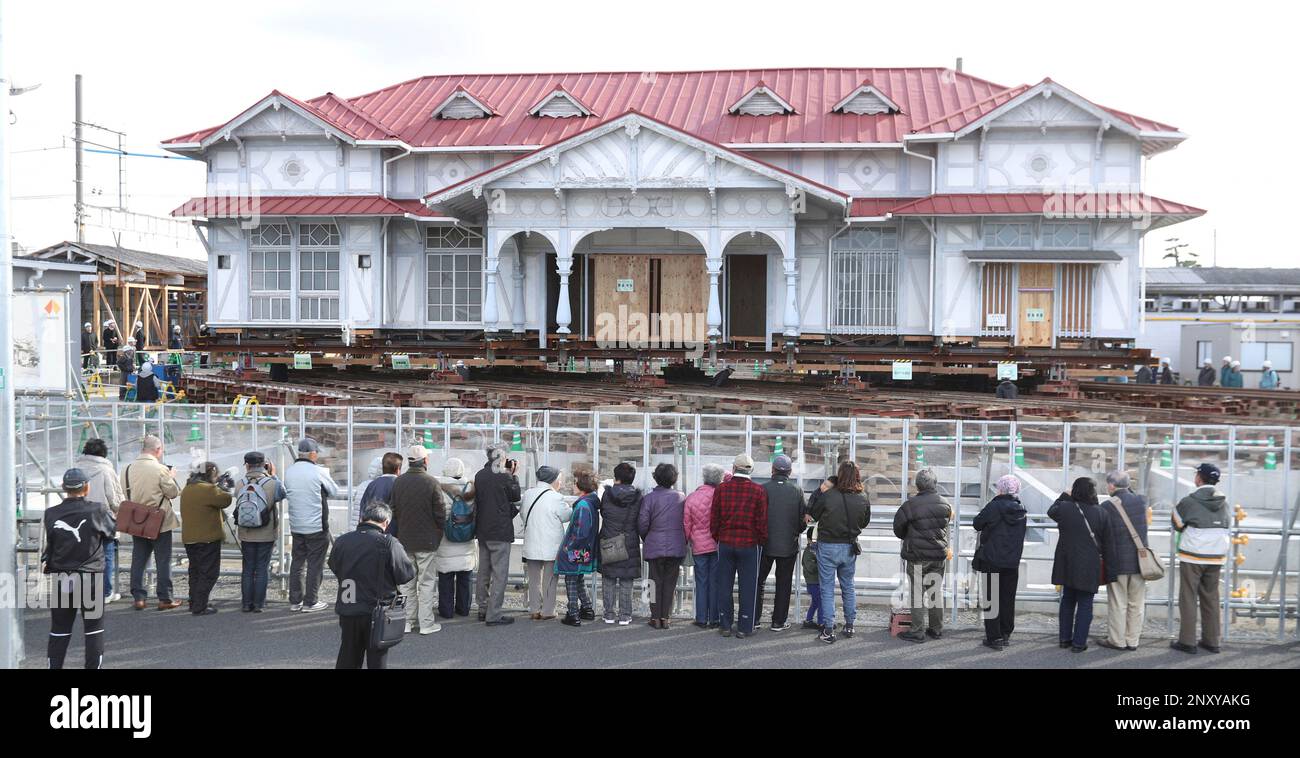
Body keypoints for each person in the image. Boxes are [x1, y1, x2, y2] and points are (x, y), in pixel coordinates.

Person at [43, 468, 116, 669]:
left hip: (62, 577)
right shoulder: (98, 510)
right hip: (91, 577)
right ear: (87, 487)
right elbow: (111, 532)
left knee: (59, 629)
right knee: (93, 630)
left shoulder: (51, 513)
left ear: (64, 488)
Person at [329, 502, 416, 669]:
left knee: (348, 656)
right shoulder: (388, 543)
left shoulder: (342, 541)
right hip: (377, 611)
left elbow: (334, 566)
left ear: (362, 518)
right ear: (386, 522)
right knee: (377, 659)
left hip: (348, 608)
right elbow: (406, 574)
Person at [1048, 477, 1115, 653]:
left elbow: (1051, 511)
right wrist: (1111, 571)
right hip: (1089, 566)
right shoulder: (1101, 513)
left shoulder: (1064, 508)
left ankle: (1064, 639)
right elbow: (1108, 545)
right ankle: (1079, 644)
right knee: (1085, 604)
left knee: (1067, 600)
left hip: (1067, 564)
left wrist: (1065, 495)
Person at [807, 460, 870, 644]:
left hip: (827, 546)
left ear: (839, 475)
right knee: (848, 586)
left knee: (827, 588)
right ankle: (849, 625)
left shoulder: (829, 495)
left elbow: (814, 516)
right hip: (849, 547)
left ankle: (828, 629)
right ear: (858, 477)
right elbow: (864, 523)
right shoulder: (863, 497)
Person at [1170, 463, 1230, 654]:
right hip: (1216, 556)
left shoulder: (1189, 501)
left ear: (1199, 478)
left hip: (1193, 555)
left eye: (1196, 474)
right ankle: (1212, 641)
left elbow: (1177, 523)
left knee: (1188, 597)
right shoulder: (1224, 502)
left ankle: (1187, 642)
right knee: (1211, 597)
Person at [120, 435, 182, 610]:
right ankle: (165, 598)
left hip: (136, 520)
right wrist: (171, 476)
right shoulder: (160, 469)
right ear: (158, 450)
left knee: (138, 559)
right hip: (159, 520)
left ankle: (139, 598)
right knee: (163, 560)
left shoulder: (127, 469)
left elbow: (125, 493)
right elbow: (172, 492)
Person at [710, 453, 768, 638]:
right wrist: (760, 540)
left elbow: (714, 519)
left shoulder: (721, 489)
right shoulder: (758, 491)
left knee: (724, 585)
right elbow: (762, 522)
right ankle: (744, 626)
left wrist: (718, 536)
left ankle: (725, 624)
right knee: (748, 586)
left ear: (734, 468)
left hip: (726, 542)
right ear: (751, 470)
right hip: (749, 545)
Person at [389, 446, 446, 634]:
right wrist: (437, 534)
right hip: (427, 541)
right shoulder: (431, 482)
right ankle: (426, 623)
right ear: (425, 461)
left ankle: (407, 621)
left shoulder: (399, 482)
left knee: (407, 584)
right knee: (427, 582)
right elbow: (440, 514)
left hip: (405, 539)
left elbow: (393, 511)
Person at [894, 468, 954, 643]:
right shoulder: (945, 504)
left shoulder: (910, 505)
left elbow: (898, 528)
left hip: (917, 556)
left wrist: (909, 535)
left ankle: (917, 631)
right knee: (935, 592)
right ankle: (936, 629)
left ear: (917, 485)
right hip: (938, 555)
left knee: (917, 593)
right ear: (935, 484)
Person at [283, 437, 341, 613]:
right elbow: (335, 491)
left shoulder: (290, 471)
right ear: (313, 454)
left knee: (297, 562)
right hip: (316, 525)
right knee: (315, 564)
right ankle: (311, 601)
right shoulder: (318, 471)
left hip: (296, 525)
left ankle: (295, 601)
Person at [972, 475, 1027, 650]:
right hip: (1012, 561)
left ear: (1001, 489)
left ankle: (994, 638)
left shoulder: (994, 506)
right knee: (1007, 598)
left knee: (991, 599)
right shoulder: (1021, 510)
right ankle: (1005, 633)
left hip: (992, 559)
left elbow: (977, 523)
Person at [1099, 470, 1151, 652]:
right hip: (1140, 561)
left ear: (1112, 486)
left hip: (1118, 561)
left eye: (1108, 484)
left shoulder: (1107, 506)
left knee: (1118, 602)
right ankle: (1132, 640)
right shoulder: (1141, 502)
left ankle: (1117, 640)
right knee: (1137, 603)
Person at [473, 444, 521, 625]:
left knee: (483, 572)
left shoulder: (479, 475)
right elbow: (515, 496)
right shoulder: (504, 476)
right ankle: (493, 615)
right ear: (501, 458)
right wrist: (513, 474)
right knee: (500, 574)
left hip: (483, 530)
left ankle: (482, 608)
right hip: (500, 531)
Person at [757, 454, 805, 632]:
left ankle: (754, 619)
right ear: (790, 472)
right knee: (783, 583)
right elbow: (802, 520)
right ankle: (778, 621)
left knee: (758, 582)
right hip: (788, 545)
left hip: (764, 545)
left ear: (772, 469)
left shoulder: (762, 489)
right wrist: (795, 531)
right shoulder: (796, 491)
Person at [179, 462, 232, 616]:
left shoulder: (188, 488)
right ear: (211, 474)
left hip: (189, 538)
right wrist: (222, 486)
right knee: (208, 573)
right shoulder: (209, 489)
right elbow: (226, 500)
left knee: (194, 571)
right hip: (207, 537)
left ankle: (194, 601)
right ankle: (200, 606)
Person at [639, 463, 687, 629]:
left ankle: (655, 617)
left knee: (653, 582)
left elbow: (643, 524)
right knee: (670, 582)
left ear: (655, 478)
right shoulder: (681, 497)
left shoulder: (648, 498)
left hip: (654, 545)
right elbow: (686, 522)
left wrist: (648, 538)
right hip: (676, 545)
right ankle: (666, 617)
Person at [76, 438, 124, 603]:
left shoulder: (76, 469)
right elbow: (115, 499)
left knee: (83, 555)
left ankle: (85, 592)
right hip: (103, 518)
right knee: (106, 555)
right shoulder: (106, 470)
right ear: (103, 454)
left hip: (80, 517)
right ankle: (105, 593)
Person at [236, 452, 285, 612]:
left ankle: (245, 603)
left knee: (248, 568)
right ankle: (259, 604)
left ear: (247, 465)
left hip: (246, 532)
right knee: (262, 567)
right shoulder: (272, 483)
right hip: (266, 532)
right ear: (265, 464)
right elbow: (283, 494)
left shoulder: (240, 483)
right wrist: (274, 475)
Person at [521, 466, 571, 621]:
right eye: (559, 479)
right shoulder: (556, 497)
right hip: (551, 545)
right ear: (553, 480)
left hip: (531, 542)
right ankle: (548, 610)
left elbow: (523, 514)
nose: (561, 482)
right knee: (550, 579)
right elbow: (566, 516)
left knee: (534, 578)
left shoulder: (528, 494)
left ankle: (534, 609)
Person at [598, 462, 643, 625]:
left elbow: (603, 512)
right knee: (626, 579)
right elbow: (640, 518)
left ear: (616, 477)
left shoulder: (607, 495)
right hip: (629, 540)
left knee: (608, 577)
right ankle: (625, 615)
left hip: (609, 538)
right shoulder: (638, 497)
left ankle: (608, 614)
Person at [556, 470, 600, 626]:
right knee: (578, 577)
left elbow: (580, 532)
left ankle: (573, 614)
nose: (572, 485)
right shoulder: (591, 503)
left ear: (582, 486)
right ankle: (587, 609)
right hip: (585, 549)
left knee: (571, 578)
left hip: (577, 549)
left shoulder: (582, 505)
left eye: (575, 482)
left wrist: (569, 547)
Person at [434, 458, 476, 618]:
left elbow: (438, 514)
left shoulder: (438, 489)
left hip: (446, 538)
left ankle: (446, 611)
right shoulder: (471, 488)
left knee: (446, 577)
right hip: (466, 538)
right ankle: (464, 609)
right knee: (465, 577)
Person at [683, 463, 723, 628]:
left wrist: (688, 540)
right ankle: (714, 618)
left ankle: (701, 618)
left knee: (701, 582)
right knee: (715, 582)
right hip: (717, 545)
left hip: (698, 546)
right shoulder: (720, 496)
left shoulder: (692, 497)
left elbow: (686, 523)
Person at [801, 524, 824, 630]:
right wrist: (821, 562)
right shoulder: (808, 552)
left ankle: (808, 620)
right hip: (813, 582)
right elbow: (811, 567)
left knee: (815, 602)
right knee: (820, 602)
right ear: (810, 540)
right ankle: (821, 622)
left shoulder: (813, 550)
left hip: (815, 582)